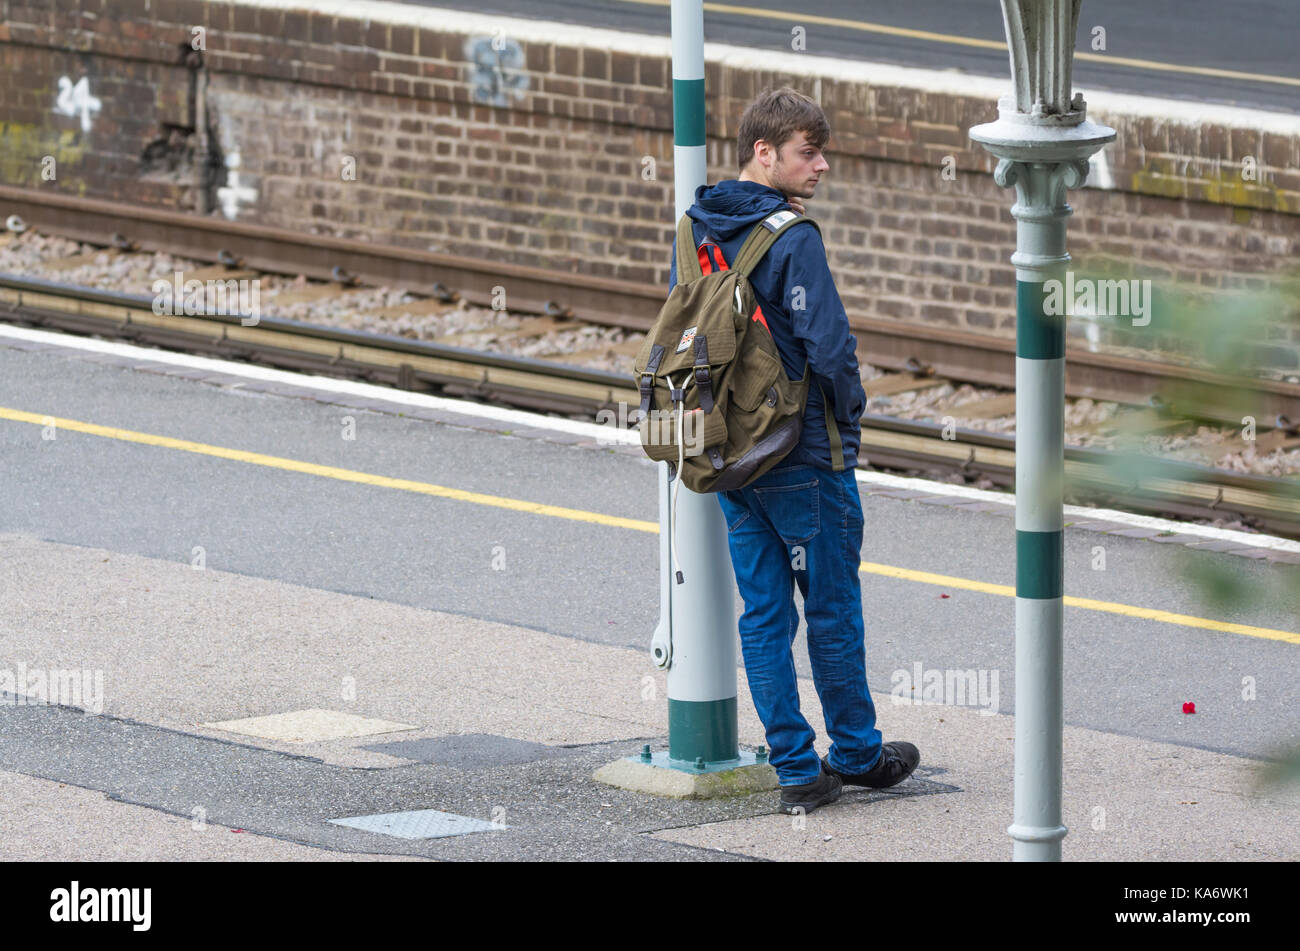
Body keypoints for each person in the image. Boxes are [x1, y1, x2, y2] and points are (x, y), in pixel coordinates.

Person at [667, 87, 920, 814]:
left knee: (764, 615)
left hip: (732, 454)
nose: (824, 165)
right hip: (804, 454)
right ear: (764, 152)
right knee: (834, 610)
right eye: (810, 153)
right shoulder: (792, 237)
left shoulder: (694, 227)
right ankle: (857, 752)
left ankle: (795, 769)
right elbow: (831, 349)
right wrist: (849, 423)